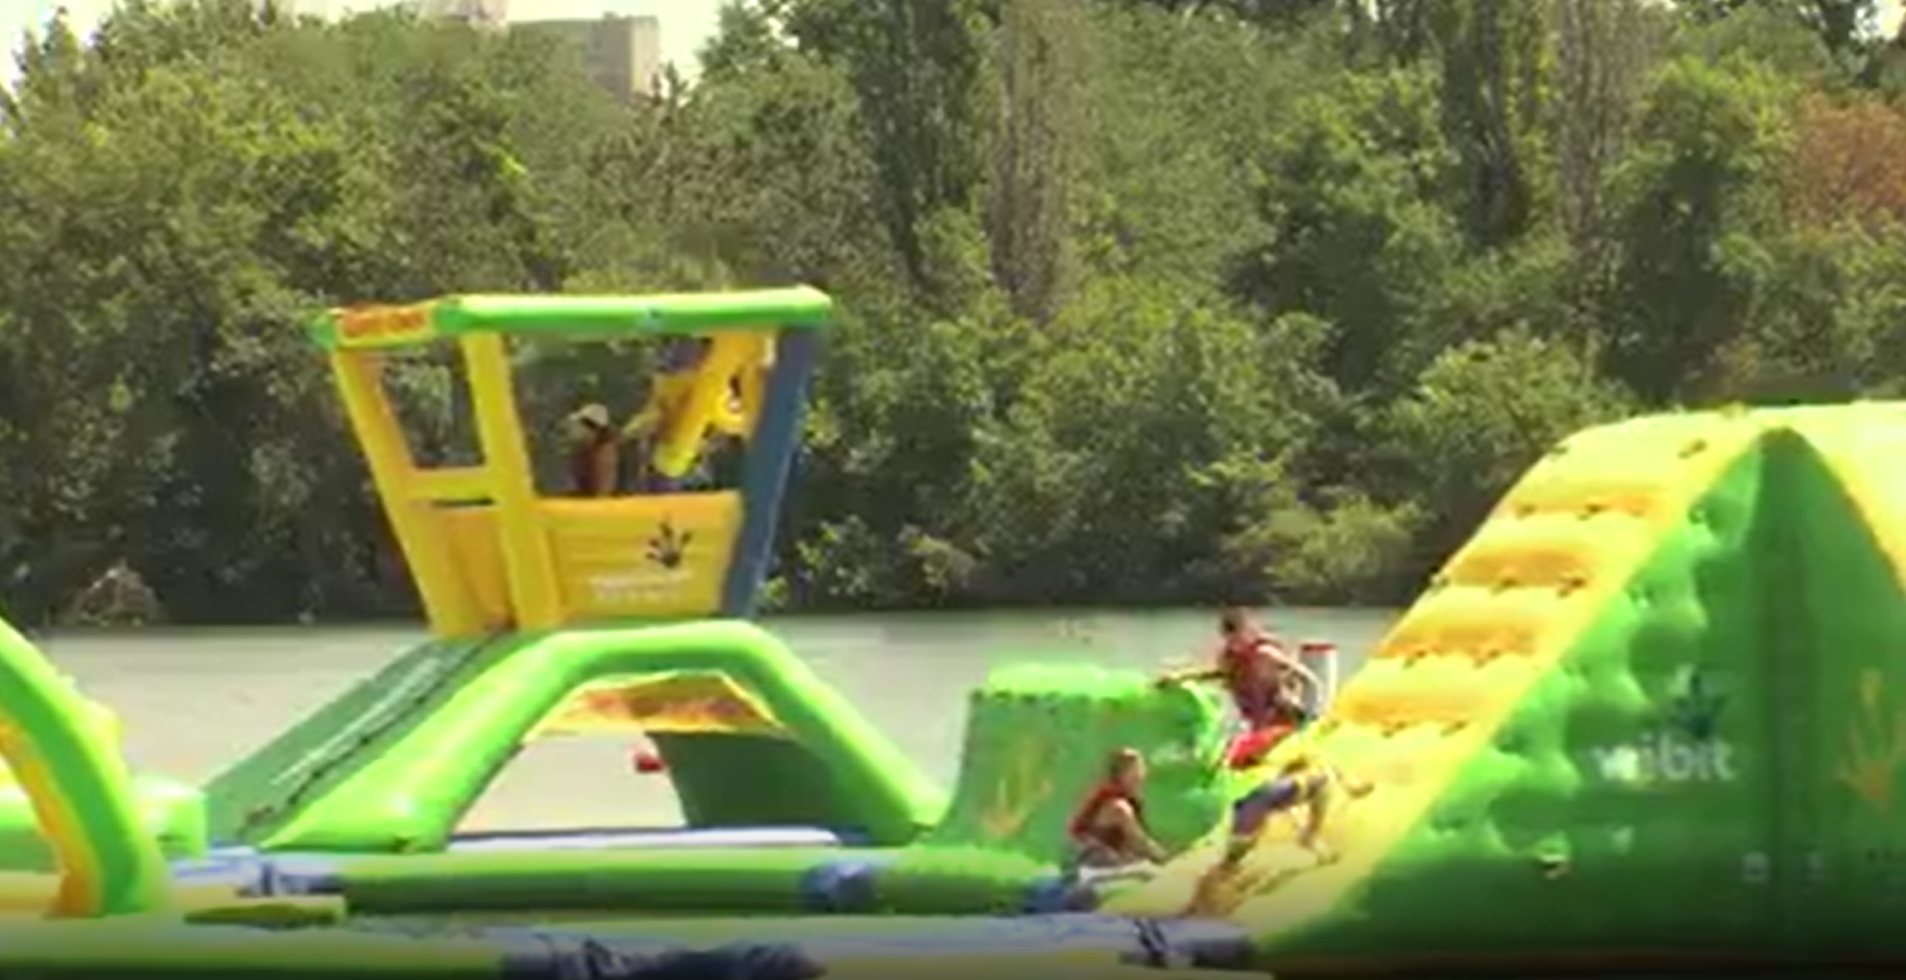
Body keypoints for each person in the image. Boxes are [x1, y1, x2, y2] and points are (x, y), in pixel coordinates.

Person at [1157, 607, 1320, 769]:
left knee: (1259, 759)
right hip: (1256, 723)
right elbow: (1219, 674)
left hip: (1282, 719)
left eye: (1239, 639)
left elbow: (1309, 679)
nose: (1235, 645)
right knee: (1239, 760)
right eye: (1230, 640)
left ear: (1248, 633)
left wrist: (1307, 709)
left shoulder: (1265, 654)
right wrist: (1181, 678)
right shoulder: (1228, 658)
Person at [1220, 754, 1374, 868]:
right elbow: (1287, 793)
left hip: (1256, 798)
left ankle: (1312, 840)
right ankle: (1311, 840)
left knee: (1325, 779)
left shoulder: (1301, 779)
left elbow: (1289, 794)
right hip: (1256, 802)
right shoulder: (1305, 782)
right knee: (1239, 848)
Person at [1066, 748, 1169, 874]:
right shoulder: (1117, 806)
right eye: (1135, 771)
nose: (1141, 775)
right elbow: (1138, 840)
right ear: (1122, 773)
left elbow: (1130, 845)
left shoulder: (1127, 800)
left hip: (1104, 858)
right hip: (1090, 861)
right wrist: (1165, 860)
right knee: (1142, 871)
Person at [564, 402, 620, 497]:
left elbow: (601, 491)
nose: (575, 429)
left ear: (592, 429)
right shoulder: (587, 449)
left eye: (579, 425)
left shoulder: (603, 454)